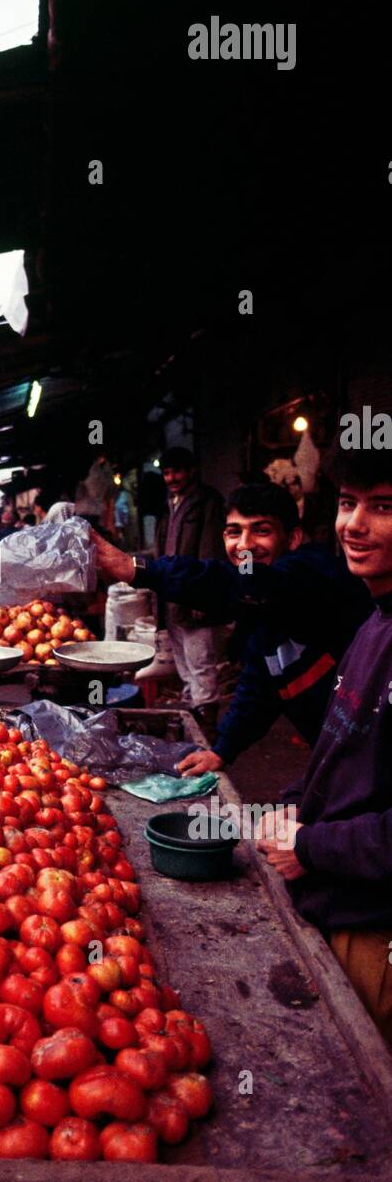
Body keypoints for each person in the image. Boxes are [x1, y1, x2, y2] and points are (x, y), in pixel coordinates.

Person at [255, 443, 392, 1044]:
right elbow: (349, 752)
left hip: (376, 931)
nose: (354, 526)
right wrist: (295, 801)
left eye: (384, 507)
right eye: (347, 503)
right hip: (339, 902)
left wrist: (312, 845)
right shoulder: (376, 620)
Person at [91, 483, 372, 774]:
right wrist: (222, 750)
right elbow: (261, 684)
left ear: (293, 538)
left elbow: (236, 583)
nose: (245, 545)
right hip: (342, 759)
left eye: (262, 531)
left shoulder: (311, 573)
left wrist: (136, 569)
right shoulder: (261, 609)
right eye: (234, 532)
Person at [154, 447, 227, 735]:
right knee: (184, 664)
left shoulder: (207, 502)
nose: (172, 478)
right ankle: (194, 721)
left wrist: (204, 595)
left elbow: (211, 551)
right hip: (171, 598)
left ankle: (208, 727)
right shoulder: (169, 504)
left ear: (191, 471)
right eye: (167, 473)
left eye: (177, 471)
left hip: (194, 597)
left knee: (201, 664)